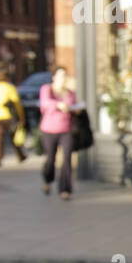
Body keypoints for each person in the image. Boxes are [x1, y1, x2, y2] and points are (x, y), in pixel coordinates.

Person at [39, 66, 77, 200]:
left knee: (67, 159)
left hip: (66, 129)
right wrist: (58, 105)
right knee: (51, 159)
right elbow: (44, 104)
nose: (63, 78)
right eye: (60, 75)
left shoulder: (70, 93)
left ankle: (65, 189)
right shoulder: (47, 89)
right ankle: (47, 180)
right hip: (49, 129)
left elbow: (73, 106)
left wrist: (76, 110)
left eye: (65, 75)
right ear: (54, 77)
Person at [0, 69, 28, 166]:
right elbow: (17, 104)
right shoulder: (10, 88)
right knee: (14, 137)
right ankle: (20, 155)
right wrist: (21, 117)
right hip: (9, 116)